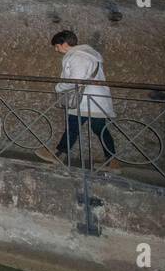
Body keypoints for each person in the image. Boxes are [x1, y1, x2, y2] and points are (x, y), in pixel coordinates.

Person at [36, 30, 119, 169]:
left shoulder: (77, 56)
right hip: (95, 99)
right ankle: (113, 162)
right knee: (99, 128)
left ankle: (58, 154)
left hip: (85, 100)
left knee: (73, 126)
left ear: (65, 43)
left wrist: (59, 87)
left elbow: (76, 80)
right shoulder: (89, 55)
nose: (56, 50)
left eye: (57, 46)